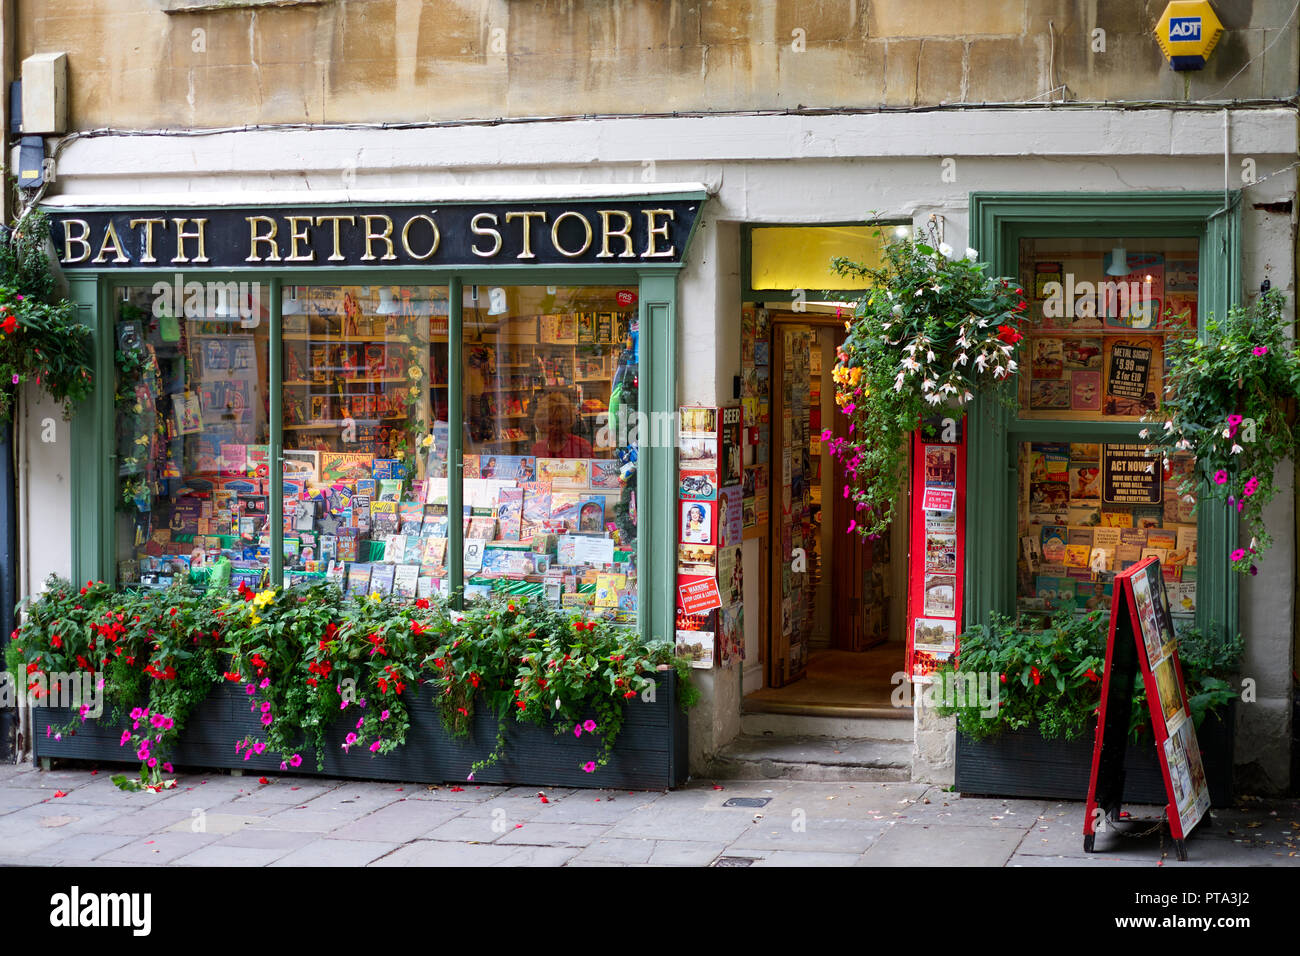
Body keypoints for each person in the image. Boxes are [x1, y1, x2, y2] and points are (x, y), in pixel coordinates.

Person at [531, 391, 593, 459]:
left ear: (567, 422)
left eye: (559, 422)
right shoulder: (537, 450)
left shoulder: (582, 446)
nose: (555, 427)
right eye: (550, 423)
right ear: (542, 424)